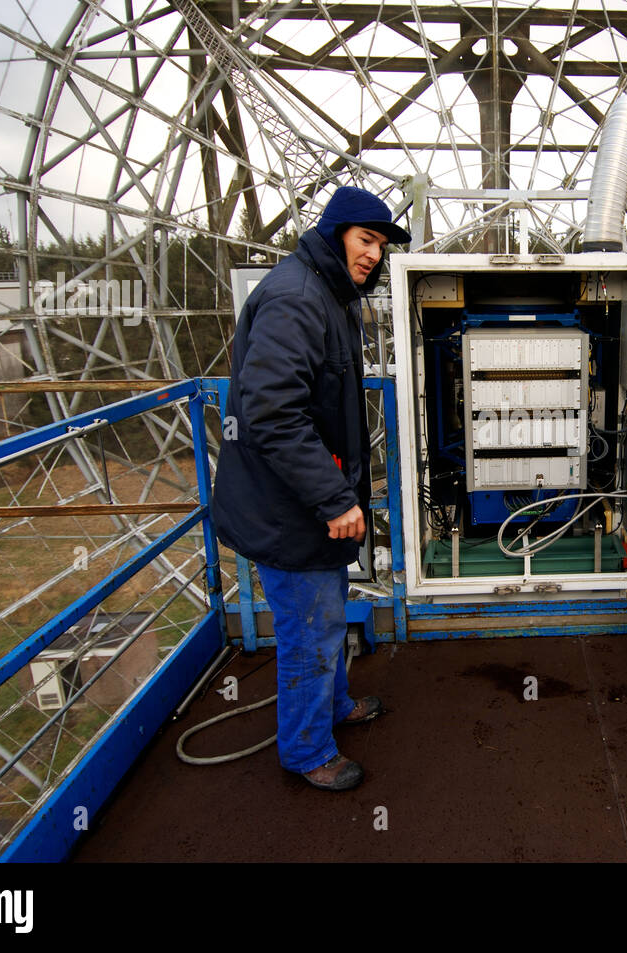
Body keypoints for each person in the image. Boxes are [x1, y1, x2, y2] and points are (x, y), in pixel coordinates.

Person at [211, 186, 411, 790]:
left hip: (307, 500)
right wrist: (333, 498)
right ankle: (306, 752)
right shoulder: (297, 299)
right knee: (309, 629)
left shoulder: (327, 293)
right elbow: (272, 414)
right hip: (289, 507)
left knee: (323, 615)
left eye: (379, 244)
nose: (374, 254)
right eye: (365, 239)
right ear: (334, 235)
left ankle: (332, 707)